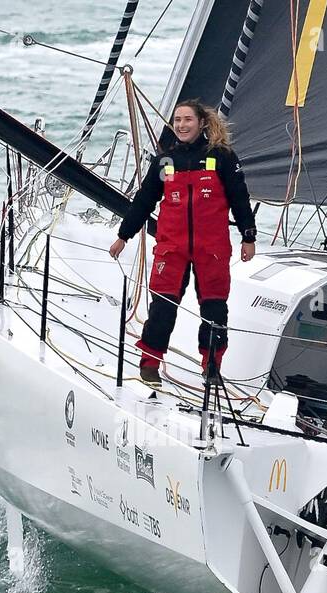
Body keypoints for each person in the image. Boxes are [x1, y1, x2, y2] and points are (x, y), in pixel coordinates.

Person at [109, 99, 257, 386]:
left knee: (214, 308)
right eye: (177, 120)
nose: (181, 125)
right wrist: (123, 236)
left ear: (201, 123)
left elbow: (240, 198)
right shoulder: (165, 161)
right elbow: (144, 200)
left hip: (211, 248)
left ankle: (211, 366)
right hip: (171, 247)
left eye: (187, 119)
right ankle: (150, 363)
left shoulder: (223, 156)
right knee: (162, 306)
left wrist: (248, 237)